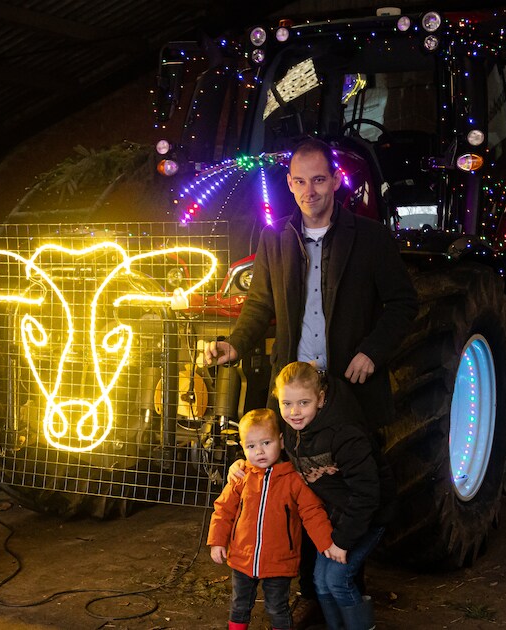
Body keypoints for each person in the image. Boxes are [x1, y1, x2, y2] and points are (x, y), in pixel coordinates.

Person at [205, 137, 418, 625]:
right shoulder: (275, 238)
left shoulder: (369, 238)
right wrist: (236, 343)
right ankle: (311, 596)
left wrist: (371, 351)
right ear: (289, 184)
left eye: (319, 179)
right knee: (295, 492)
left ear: (336, 181)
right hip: (295, 391)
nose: (309, 190)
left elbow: (404, 303)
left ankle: (344, 588)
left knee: (344, 488)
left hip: (347, 388)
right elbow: (259, 305)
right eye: (299, 181)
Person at [274, 361, 393, 630]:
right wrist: (240, 463)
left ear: (321, 398)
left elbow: (367, 494)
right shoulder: (292, 429)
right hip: (336, 513)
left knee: (338, 580)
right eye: (286, 403)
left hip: (368, 514)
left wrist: (342, 541)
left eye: (303, 403)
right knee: (320, 581)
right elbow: (262, 441)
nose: (294, 412)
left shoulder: (344, 434)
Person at [208, 409, 337, 630]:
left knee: (277, 608)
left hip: (279, 561)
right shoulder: (241, 478)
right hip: (242, 558)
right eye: (251, 446)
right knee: (239, 606)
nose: (259, 451)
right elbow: (223, 509)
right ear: (243, 447)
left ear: (280, 441)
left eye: (266, 443)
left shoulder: (293, 481)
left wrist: (326, 543)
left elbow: (312, 511)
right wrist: (217, 541)